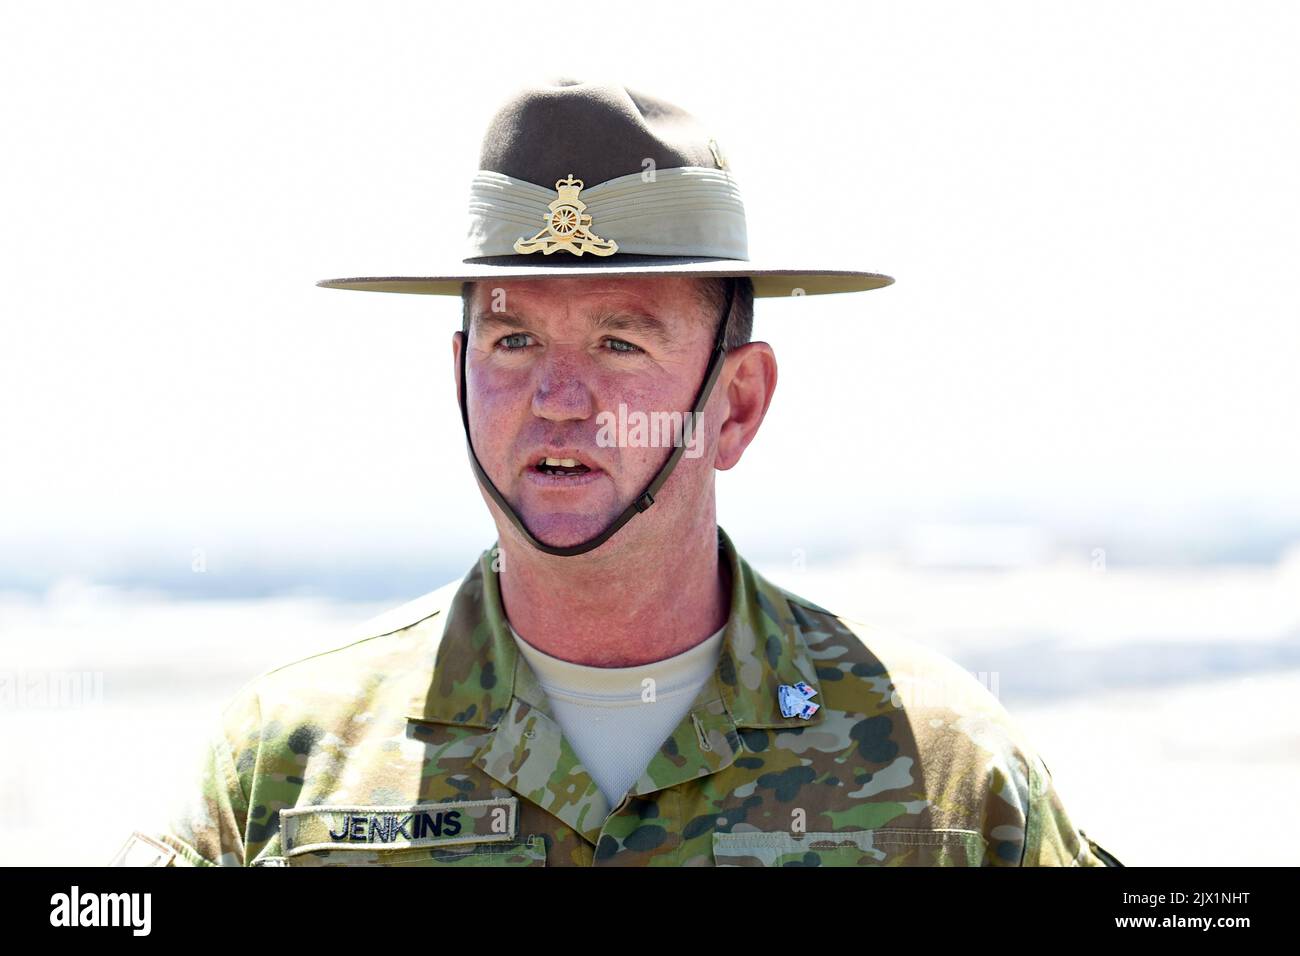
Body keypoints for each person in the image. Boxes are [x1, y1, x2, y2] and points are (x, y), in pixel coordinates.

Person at [111, 78, 1123, 867]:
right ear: (455, 377)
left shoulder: (940, 768)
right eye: (510, 342)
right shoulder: (290, 763)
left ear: (735, 405)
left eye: (618, 342)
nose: (558, 397)